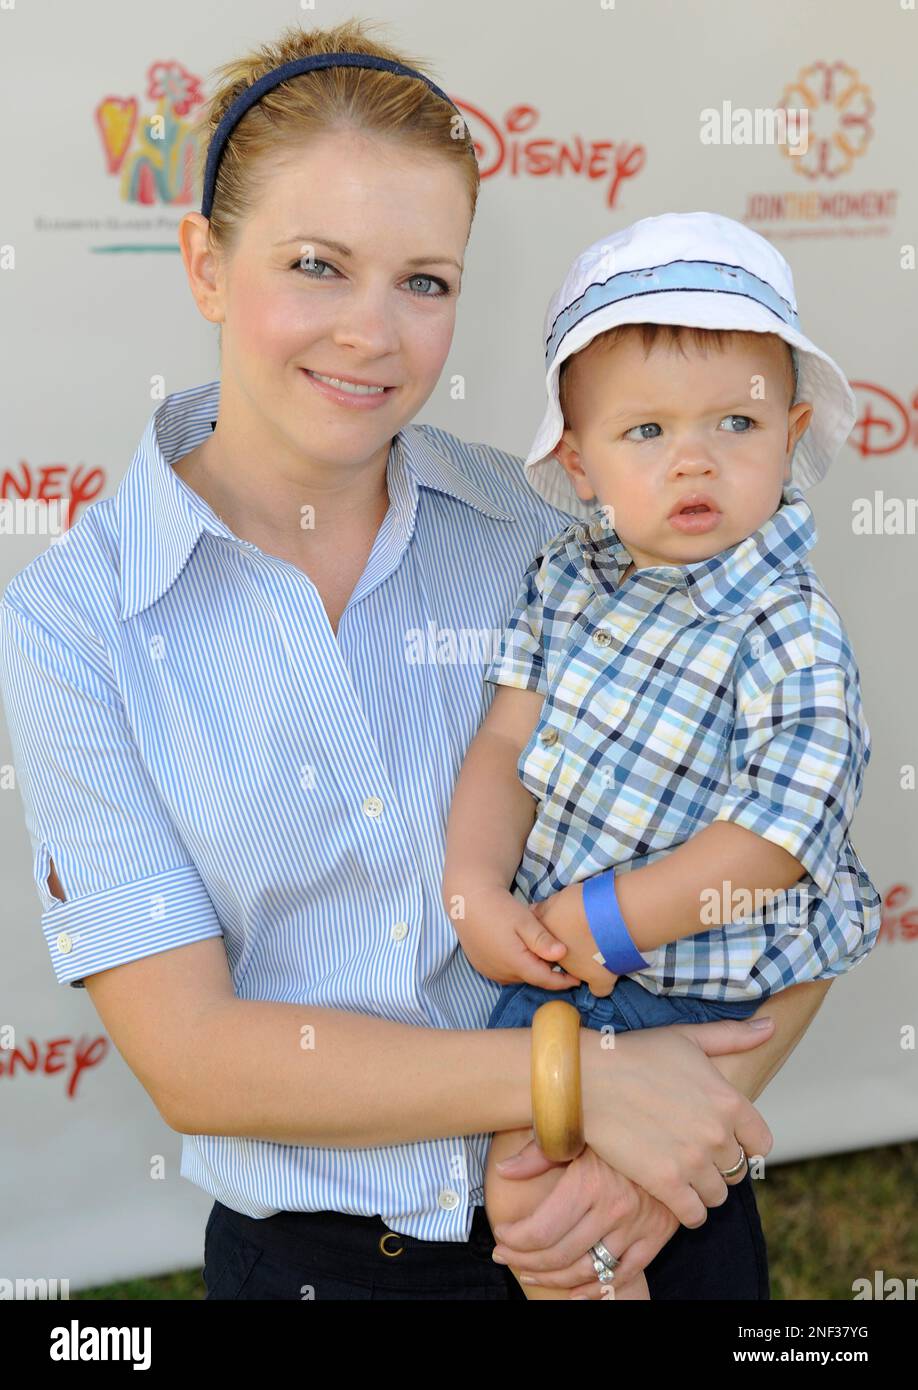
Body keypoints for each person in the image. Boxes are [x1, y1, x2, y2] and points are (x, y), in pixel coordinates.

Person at [1, 19, 832, 1302]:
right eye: (318, 266)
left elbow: (792, 865)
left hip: (650, 1216)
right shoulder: (73, 620)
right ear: (205, 265)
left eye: (425, 281)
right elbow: (196, 1057)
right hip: (323, 1268)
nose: (373, 335)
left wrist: (662, 1139)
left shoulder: (566, 533)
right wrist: (581, 1081)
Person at [443, 211, 882, 1299]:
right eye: (644, 433)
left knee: (609, 1208)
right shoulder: (564, 581)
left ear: (791, 432)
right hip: (553, 980)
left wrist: (605, 920)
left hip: (684, 998)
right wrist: (472, 882)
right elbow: (506, 739)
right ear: (578, 463)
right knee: (528, 1192)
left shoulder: (787, 627)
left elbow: (778, 839)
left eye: (734, 421)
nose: (693, 458)